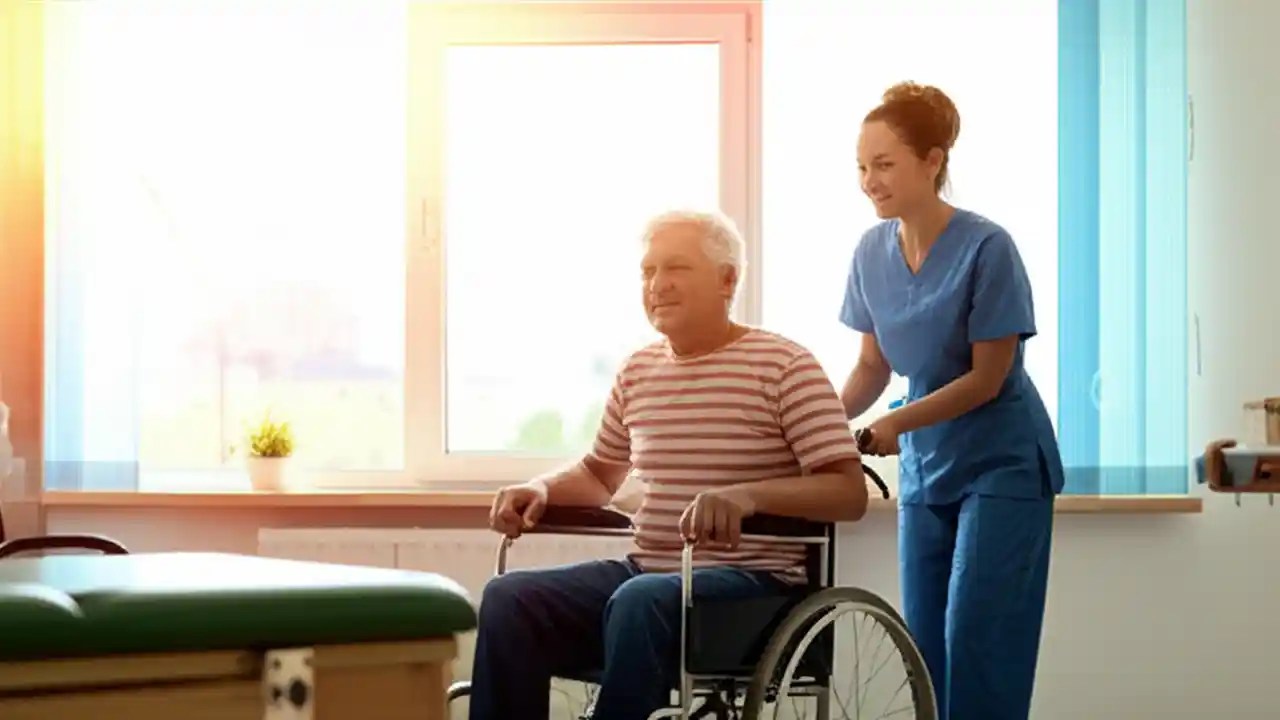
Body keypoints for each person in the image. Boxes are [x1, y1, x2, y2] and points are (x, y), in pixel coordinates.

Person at [469, 209, 872, 720]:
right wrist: (542, 488)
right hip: (652, 575)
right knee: (509, 598)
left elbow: (847, 491)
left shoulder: (785, 366)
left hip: (756, 586)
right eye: (648, 271)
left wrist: (748, 495)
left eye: (676, 268)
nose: (657, 285)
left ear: (728, 280)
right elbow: (599, 474)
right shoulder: (638, 370)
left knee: (641, 599)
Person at [839, 81, 1064, 720]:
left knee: (980, 642)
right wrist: (814, 424)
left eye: (884, 164)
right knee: (926, 653)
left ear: (932, 161)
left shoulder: (988, 247)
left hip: (1003, 464)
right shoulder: (869, 252)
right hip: (925, 466)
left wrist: (895, 423)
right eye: (861, 166)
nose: (868, 180)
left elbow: (988, 378)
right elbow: (870, 368)